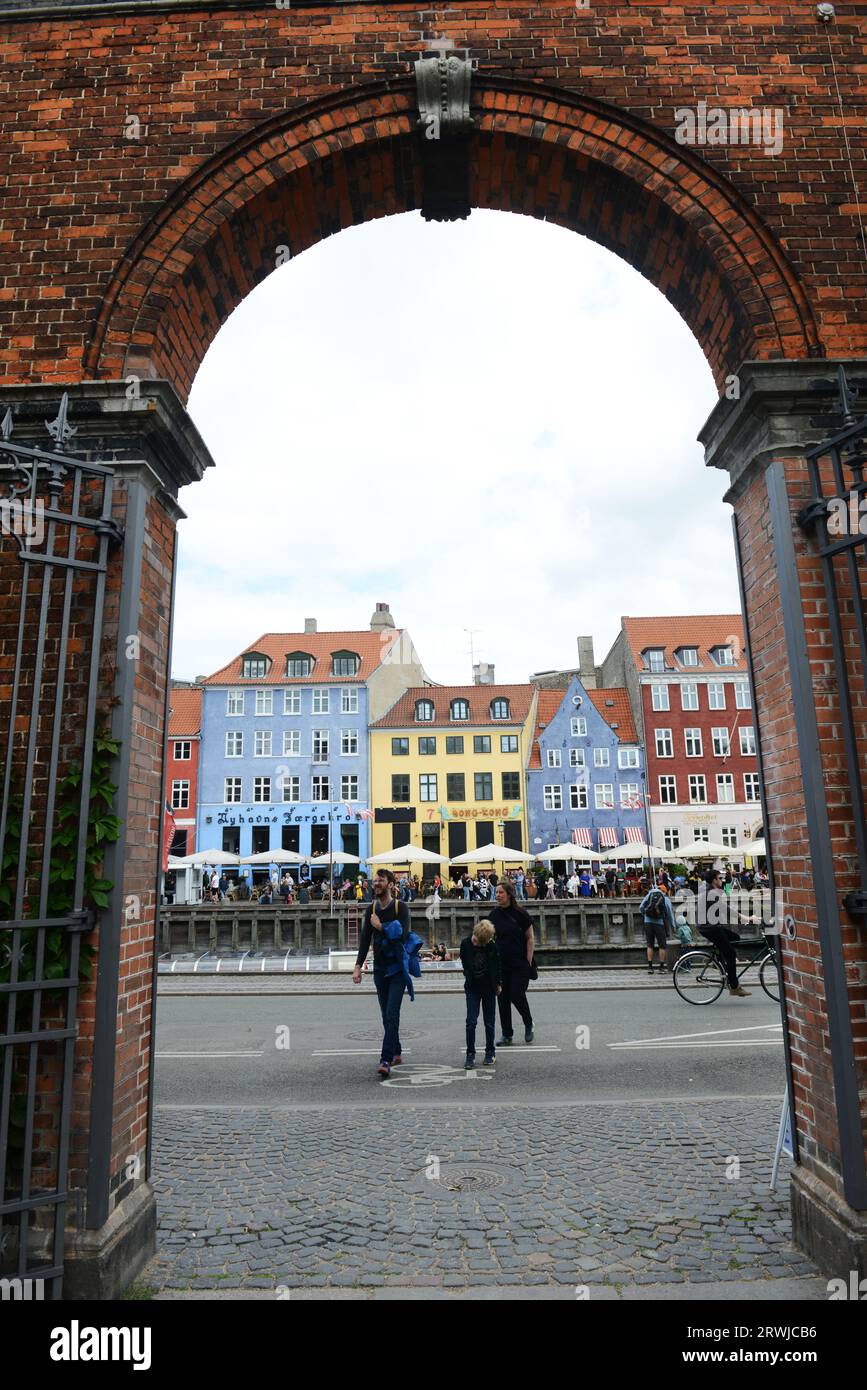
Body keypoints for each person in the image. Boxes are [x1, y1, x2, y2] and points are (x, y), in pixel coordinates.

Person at [352, 869, 412, 1077]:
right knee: (386, 1014)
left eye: (381, 880)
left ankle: (385, 1059)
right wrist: (358, 965)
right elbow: (365, 939)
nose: (376, 883)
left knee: (391, 1013)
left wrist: (382, 926)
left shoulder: (400, 907)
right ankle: (396, 1051)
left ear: (390, 884)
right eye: (375, 880)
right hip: (379, 969)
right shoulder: (372, 909)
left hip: (397, 970)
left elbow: (402, 935)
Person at [488, 880, 535, 1045]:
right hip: (501, 964)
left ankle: (528, 1023)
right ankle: (507, 1034)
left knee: (517, 995)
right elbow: (489, 938)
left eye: (501, 892)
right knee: (502, 999)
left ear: (509, 895)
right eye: (497, 892)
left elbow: (530, 938)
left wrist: (528, 962)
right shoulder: (493, 915)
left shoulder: (520, 913)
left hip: (520, 962)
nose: (498, 895)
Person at [698, 869, 750, 997]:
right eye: (719, 878)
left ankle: (720, 960)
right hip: (710, 928)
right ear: (714, 880)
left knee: (735, 937)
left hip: (711, 926)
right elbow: (724, 908)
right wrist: (742, 917)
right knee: (731, 954)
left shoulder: (710, 891)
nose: (722, 880)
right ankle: (734, 986)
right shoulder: (711, 892)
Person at [460, 919, 501, 1068]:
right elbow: (465, 964)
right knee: (471, 1021)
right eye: (475, 941)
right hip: (472, 988)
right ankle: (470, 1054)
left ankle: (490, 1052)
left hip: (489, 988)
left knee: (489, 1022)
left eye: (480, 943)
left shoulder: (491, 946)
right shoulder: (465, 944)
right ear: (474, 933)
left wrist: (498, 984)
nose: (476, 944)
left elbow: (497, 966)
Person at [639, 881, 675, 974]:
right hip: (659, 923)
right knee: (662, 945)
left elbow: (641, 907)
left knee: (650, 945)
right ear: (665, 891)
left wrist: (646, 915)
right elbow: (670, 914)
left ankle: (650, 967)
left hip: (647, 923)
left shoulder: (649, 895)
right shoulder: (665, 898)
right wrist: (673, 926)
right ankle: (661, 968)